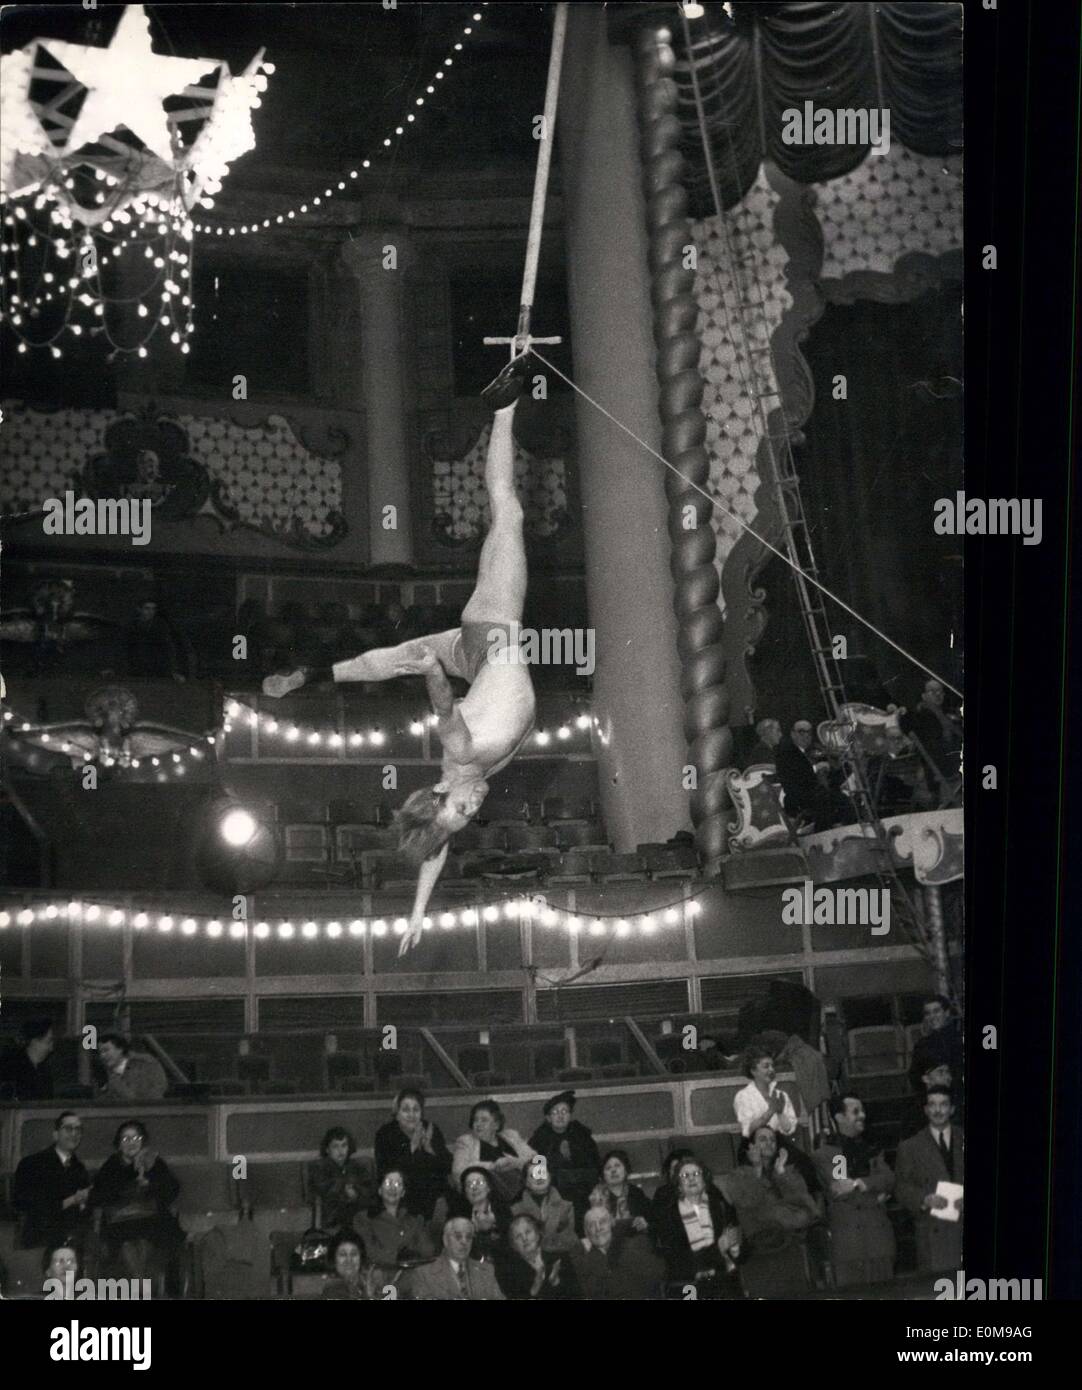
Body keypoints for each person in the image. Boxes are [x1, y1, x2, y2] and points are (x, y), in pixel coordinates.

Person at [263, 360, 537, 948]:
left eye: (460, 812)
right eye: (465, 817)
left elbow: (445, 716)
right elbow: (434, 852)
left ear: (442, 796)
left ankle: (505, 406)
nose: (472, 810)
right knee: (390, 657)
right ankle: (313, 674)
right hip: (477, 655)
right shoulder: (457, 785)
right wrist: (417, 912)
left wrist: (437, 675)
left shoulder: (463, 757)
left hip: (491, 635)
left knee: (506, 509)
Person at [724, 1126, 820, 1297]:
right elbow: (749, 1203)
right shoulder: (738, 1175)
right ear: (750, 1146)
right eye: (763, 1139)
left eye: (772, 1140)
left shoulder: (787, 1171)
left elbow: (808, 1207)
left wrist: (782, 1173)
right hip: (761, 1251)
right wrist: (757, 1169)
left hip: (792, 1247)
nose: (769, 1143)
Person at [812, 1094, 896, 1287]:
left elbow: (889, 1179)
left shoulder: (872, 1149)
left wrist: (859, 1183)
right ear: (839, 1117)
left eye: (862, 1110)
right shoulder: (831, 1152)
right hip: (850, 1246)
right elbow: (844, 1190)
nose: (862, 1115)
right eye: (856, 1111)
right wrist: (876, 1197)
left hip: (880, 1243)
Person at [90, 1121, 183, 1286]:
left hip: (150, 1219)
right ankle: (142, 1285)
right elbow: (99, 1196)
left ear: (143, 1141)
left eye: (135, 1138)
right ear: (119, 1145)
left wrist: (151, 1183)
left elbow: (172, 1190)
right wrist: (129, 1180)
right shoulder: (111, 1165)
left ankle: (144, 1284)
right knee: (128, 1243)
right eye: (125, 1139)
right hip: (121, 1221)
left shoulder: (154, 1161)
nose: (131, 1142)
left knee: (156, 1238)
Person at [653, 1157, 744, 1300]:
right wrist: (717, 1250)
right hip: (688, 1283)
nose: (691, 1179)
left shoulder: (719, 1206)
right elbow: (675, 1260)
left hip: (722, 1279)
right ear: (679, 1185)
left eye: (696, 1174)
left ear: (705, 1180)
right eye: (685, 1176)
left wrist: (736, 1248)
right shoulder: (669, 1215)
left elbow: (738, 1240)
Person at [895, 1086, 964, 1273]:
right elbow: (901, 1188)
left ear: (952, 1109)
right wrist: (924, 1199)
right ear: (925, 1110)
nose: (938, 1110)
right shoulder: (910, 1147)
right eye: (932, 1105)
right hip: (933, 1233)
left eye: (943, 1105)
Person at [11, 1112, 92, 1251]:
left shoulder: (79, 1167)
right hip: (41, 1237)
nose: (74, 1134)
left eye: (78, 1129)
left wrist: (84, 1201)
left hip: (74, 1236)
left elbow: (85, 1207)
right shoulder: (32, 1163)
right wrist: (71, 1200)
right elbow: (22, 1202)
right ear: (55, 1134)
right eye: (68, 1128)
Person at [373, 1088, 453, 1222]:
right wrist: (412, 1147)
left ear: (421, 1113)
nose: (411, 1114)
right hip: (401, 1192)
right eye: (405, 1110)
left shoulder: (430, 1129)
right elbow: (386, 1170)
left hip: (433, 1192)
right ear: (397, 1113)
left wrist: (430, 1149)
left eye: (416, 1110)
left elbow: (448, 1165)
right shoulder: (385, 1133)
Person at [527, 1089, 600, 1231]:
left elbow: (595, 1166)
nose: (560, 1116)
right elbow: (536, 1173)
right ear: (548, 1118)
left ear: (570, 1115)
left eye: (564, 1111)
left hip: (582, 1192)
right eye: (555, 1112)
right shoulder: (539, 1140)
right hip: (553, 1193)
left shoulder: (582, 1135)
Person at [569, 1206, 665, 1301]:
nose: (597, 1228)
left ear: (611, 1224)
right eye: (591, 1225)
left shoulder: (633, 1245)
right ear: (586, 1232)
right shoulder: (583, 1258)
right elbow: (591, 1291)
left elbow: (655, 1278)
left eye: (602, 1222)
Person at [354, 1169, 435, 1275]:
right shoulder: (364, 1218)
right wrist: (398, 1256)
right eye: (388, 1183)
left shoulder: (414, 1220)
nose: (393, 1188)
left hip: (412, 1274)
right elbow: (368, 1251)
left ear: (403, 1192)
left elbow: (428, 1250)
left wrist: (410, 1254)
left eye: (398, 1184)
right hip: (380, 1276)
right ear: (379, 1190)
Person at [451, 1098, 535, 1199]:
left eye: (484, 1120)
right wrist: (493, 1166)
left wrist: (516, 1162)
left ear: (496, 1124)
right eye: (475, 1120)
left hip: (523, 1187)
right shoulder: (466, 1141)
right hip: (486, 1195)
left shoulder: (511, 1135)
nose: (478, 1124)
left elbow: (535, 1158)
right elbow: (458, 1171)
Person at [410, 1217, 505, 1300]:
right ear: (445, 1240)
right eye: (458, 1236)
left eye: (468, 1237)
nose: (464, 1242)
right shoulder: (423, 1274)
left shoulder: (486, 1270)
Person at [497, 1213, 579, 1300]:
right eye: (518, 1236)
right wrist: (535, 1288)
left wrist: (556, 1282)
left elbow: (577, 1294)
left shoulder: (559, 1257)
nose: (525, 1239)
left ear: (538, 1233)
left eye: (528, 1232)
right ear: (513, 1245)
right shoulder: (511, 1273)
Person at [311, 1126, 375, 1234]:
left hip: (359, 1216)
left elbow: (370, 1189)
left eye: (344, 1146)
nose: (341, 1151)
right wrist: (344, 1190)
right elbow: (323, 1190)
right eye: (335, 1147)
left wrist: (356, 1193)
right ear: (327, 1149)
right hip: (333, 1217)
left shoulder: (358, 1167)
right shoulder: (320, 1168)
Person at [908, 995, 964, 1110]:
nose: (932, 1017)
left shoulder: (960, 1040)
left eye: (936, 1011)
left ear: (947, 1013)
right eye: (928, 1013)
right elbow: (914, 1076)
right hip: (935, 1105)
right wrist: (928, 1080)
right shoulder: (922, 1045)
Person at [511, 1157, 578, 1253]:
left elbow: (569, 1240)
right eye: (533, 1175)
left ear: (550, 1176)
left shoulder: (566, 1206)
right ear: (526, 1182)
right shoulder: (515, 1210)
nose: (539, 1177)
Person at [448, 1166, 512, 1262]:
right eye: (469, 1185)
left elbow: (511, 1243)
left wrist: (490, 1230)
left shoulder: (502, 1210)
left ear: (489, 1187)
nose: (474, 1187)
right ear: (464, 1192)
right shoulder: (456, 1215)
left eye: (479, 1183)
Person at [733, 1046, 799, 1138]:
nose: (771, 1070)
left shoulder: (781, 1095)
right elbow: (747, 1131)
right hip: (754, 1145)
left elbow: (789, 1130)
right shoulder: (743, 1096)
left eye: (772, 1066)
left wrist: (780, 1113)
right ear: (753, 1071)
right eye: (766, 1066)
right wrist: (771, 1111)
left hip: (777, 1143)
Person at [587, 1150, 652, 1237]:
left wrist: (644, 1223)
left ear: (626, 1170)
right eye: (608, 1168)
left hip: (635, 1242)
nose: (613, 1170)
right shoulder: (595, 1196)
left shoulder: (636, 1193)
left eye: (617, 1166)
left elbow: (651, 1219)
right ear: (603, 1175)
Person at [96, 1034, 167, 1102]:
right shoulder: (104, 1072)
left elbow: (135, 1098)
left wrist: (115, 1081)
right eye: (100, 1052)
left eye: (106, 1050)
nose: (102, 1055)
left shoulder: (145, 1065)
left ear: (120, 1049)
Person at [321, 1234, 391, 1301]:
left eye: (354, 1254)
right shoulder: (332, 1288)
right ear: (334, 1259)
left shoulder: (368, 1282)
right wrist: (368, 1296)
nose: (349, 1260)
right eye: (343, 1254)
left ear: (361, 1258)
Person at [0, 1017, 55, 1100]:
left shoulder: (45, 1070)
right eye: (48, 1041)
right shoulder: (10, 1066)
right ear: (34, 1041)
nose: (51, 1048)